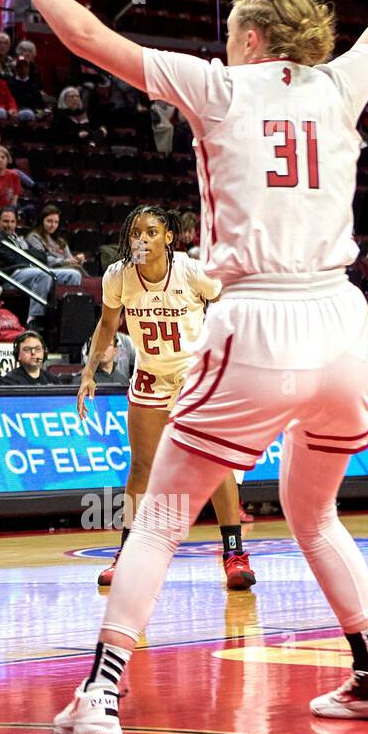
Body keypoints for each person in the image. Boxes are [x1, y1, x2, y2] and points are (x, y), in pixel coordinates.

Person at [0, 0, 368, 734]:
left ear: (254, 40)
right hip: (345, 321)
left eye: (233, 31)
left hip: (258, 314)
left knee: (158, 514)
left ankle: (101, 691)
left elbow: (87, 41)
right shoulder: (343, 84)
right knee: (314, 512)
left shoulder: (219, 88)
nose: (226, 44)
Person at [79, 205, 256, 591]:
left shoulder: (191, 270)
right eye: (136, 232)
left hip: (194, 374)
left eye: (151, 232)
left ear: (168, 237)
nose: (142, 239)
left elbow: (226, 300)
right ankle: (127, 553)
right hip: (151, 375)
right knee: (141, 467)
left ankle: (233, 553)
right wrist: (89, 372)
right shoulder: (118, 276)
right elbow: (107, 325)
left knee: (213, 461)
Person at [0, 208, 58, 324]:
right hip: (6, 277)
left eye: (13, 222)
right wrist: (28, 257)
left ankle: (63, 319)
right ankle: (34, 320)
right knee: (43, 275)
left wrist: (27, 256)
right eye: (5, 221)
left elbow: (40, 255)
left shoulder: (16, 238)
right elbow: (14, 259)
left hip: (24, 272)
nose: (9, 225)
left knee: (73, 275)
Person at [24, 205, 85, 285]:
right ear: (42, 221)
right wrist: (64, 262)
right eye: (49, 221)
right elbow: (42, 259)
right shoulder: (33, 237)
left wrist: (77, 259)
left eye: (56, 222)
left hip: (66, 268)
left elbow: (70, 259)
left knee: (77, 267)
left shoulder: (60, 241)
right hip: (47, 270)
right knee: (76, 270)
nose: (53, 225)